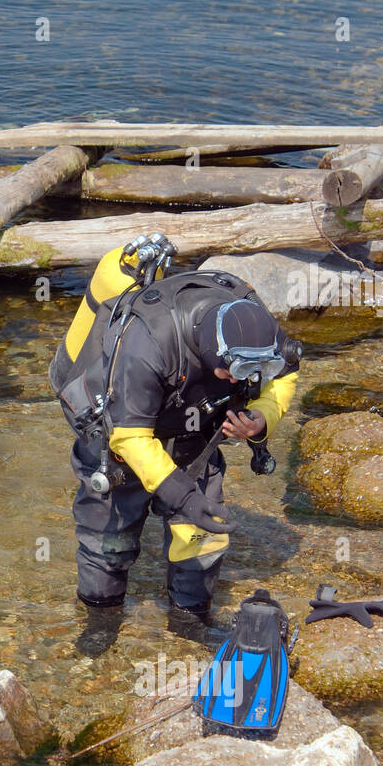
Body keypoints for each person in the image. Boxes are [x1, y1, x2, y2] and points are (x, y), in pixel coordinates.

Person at [52, 237, 301, 629]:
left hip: (192, 435)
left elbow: (286, 373)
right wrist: (181, 494)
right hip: (118, 436)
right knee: (108, 545)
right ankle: (101, 622)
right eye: (235, 372)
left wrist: (261, 417)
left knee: (201, 537)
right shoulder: (148, 343)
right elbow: (130, 436)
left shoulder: (256, 323)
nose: (245, 380)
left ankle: (189, 622)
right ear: (211, 354)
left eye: (254, 371)